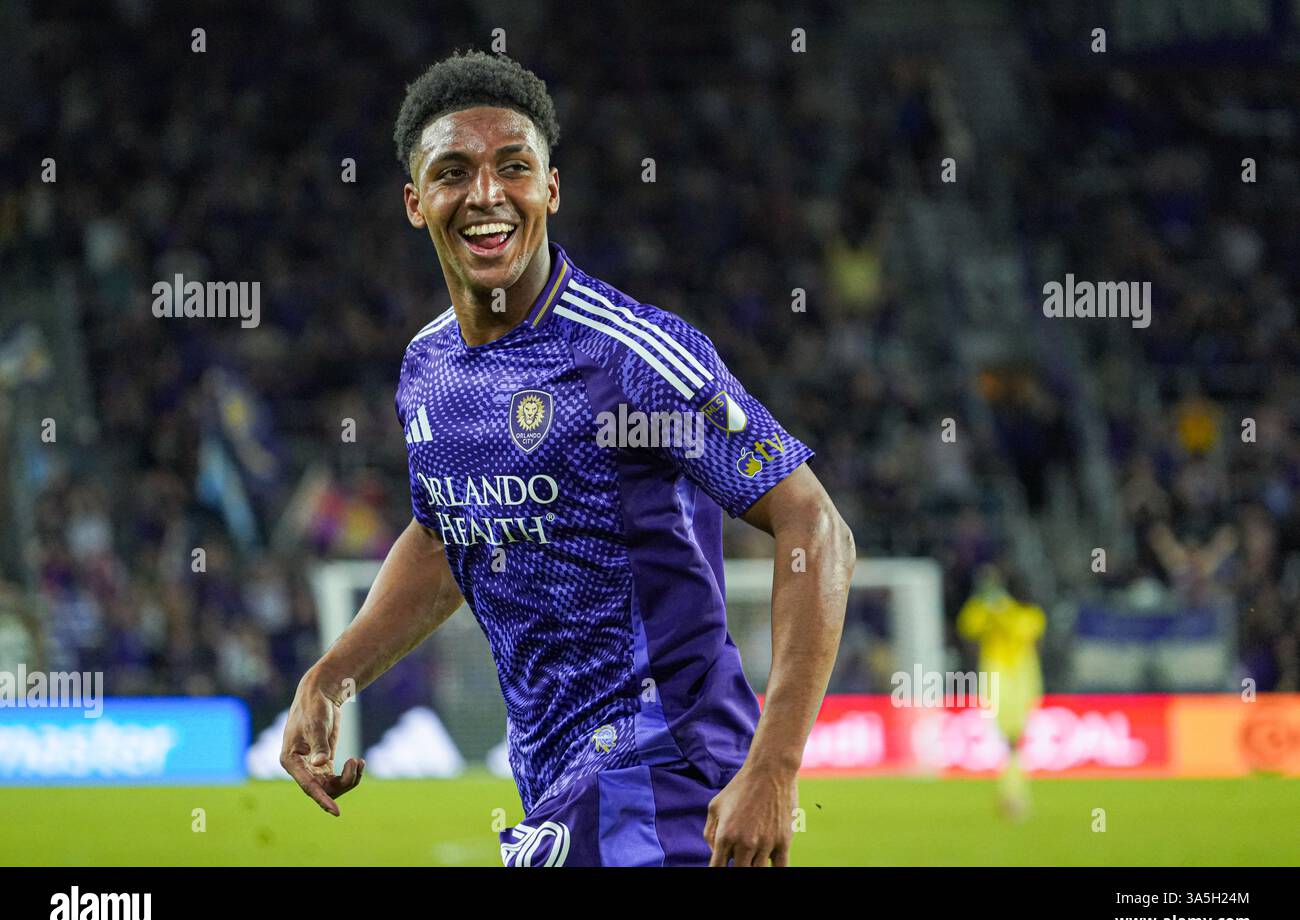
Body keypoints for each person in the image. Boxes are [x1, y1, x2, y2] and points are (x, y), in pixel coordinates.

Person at [280, 50, 856, 867]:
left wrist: (775, 766)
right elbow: (449, 536)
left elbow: (815, 524)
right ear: (416, 202)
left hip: (670, 777)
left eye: (513, 167)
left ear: (550, 188)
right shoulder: (427, 368)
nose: (486, 195)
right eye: (454, 172)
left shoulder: (634, 357)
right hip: (557, 785)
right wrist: (331, 676)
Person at [956, 563, 1045, 822]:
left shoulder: (1031, 615)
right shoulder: (990, 609)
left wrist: (1001, 608)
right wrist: (982, 602)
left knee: (1014, 740)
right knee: (1008, 741)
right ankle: (1013, 794)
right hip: (995, 678)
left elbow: (1019, 630)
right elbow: (967, 626)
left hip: (1021, 680)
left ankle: (1013, 795)